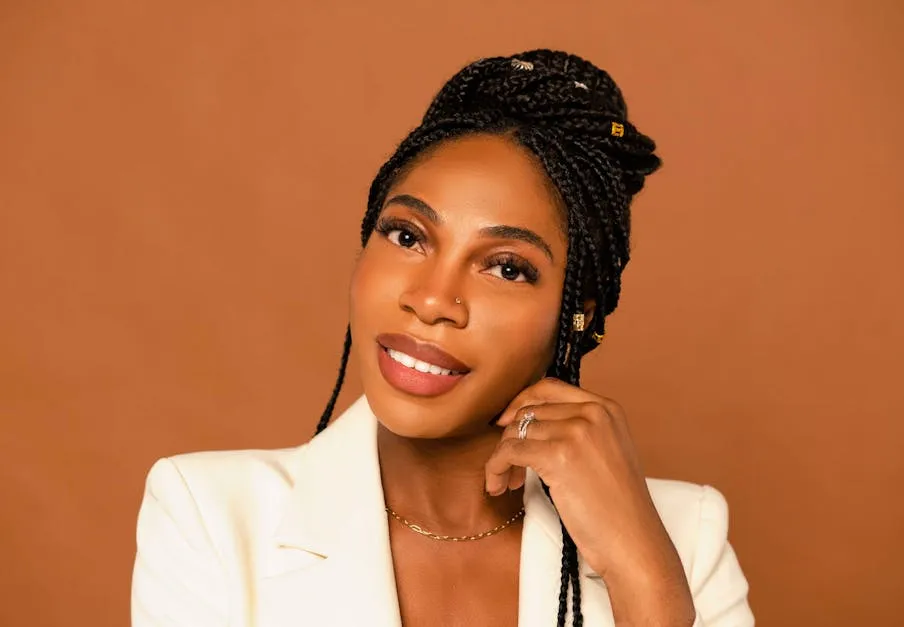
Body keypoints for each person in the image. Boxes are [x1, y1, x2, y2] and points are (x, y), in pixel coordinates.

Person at [131, 49, 754, 627]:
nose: (432, 300)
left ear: (577, 313)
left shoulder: (682, 535)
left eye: (506, 267)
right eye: (407, 236)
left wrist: (645, 584)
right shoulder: (209, 517)